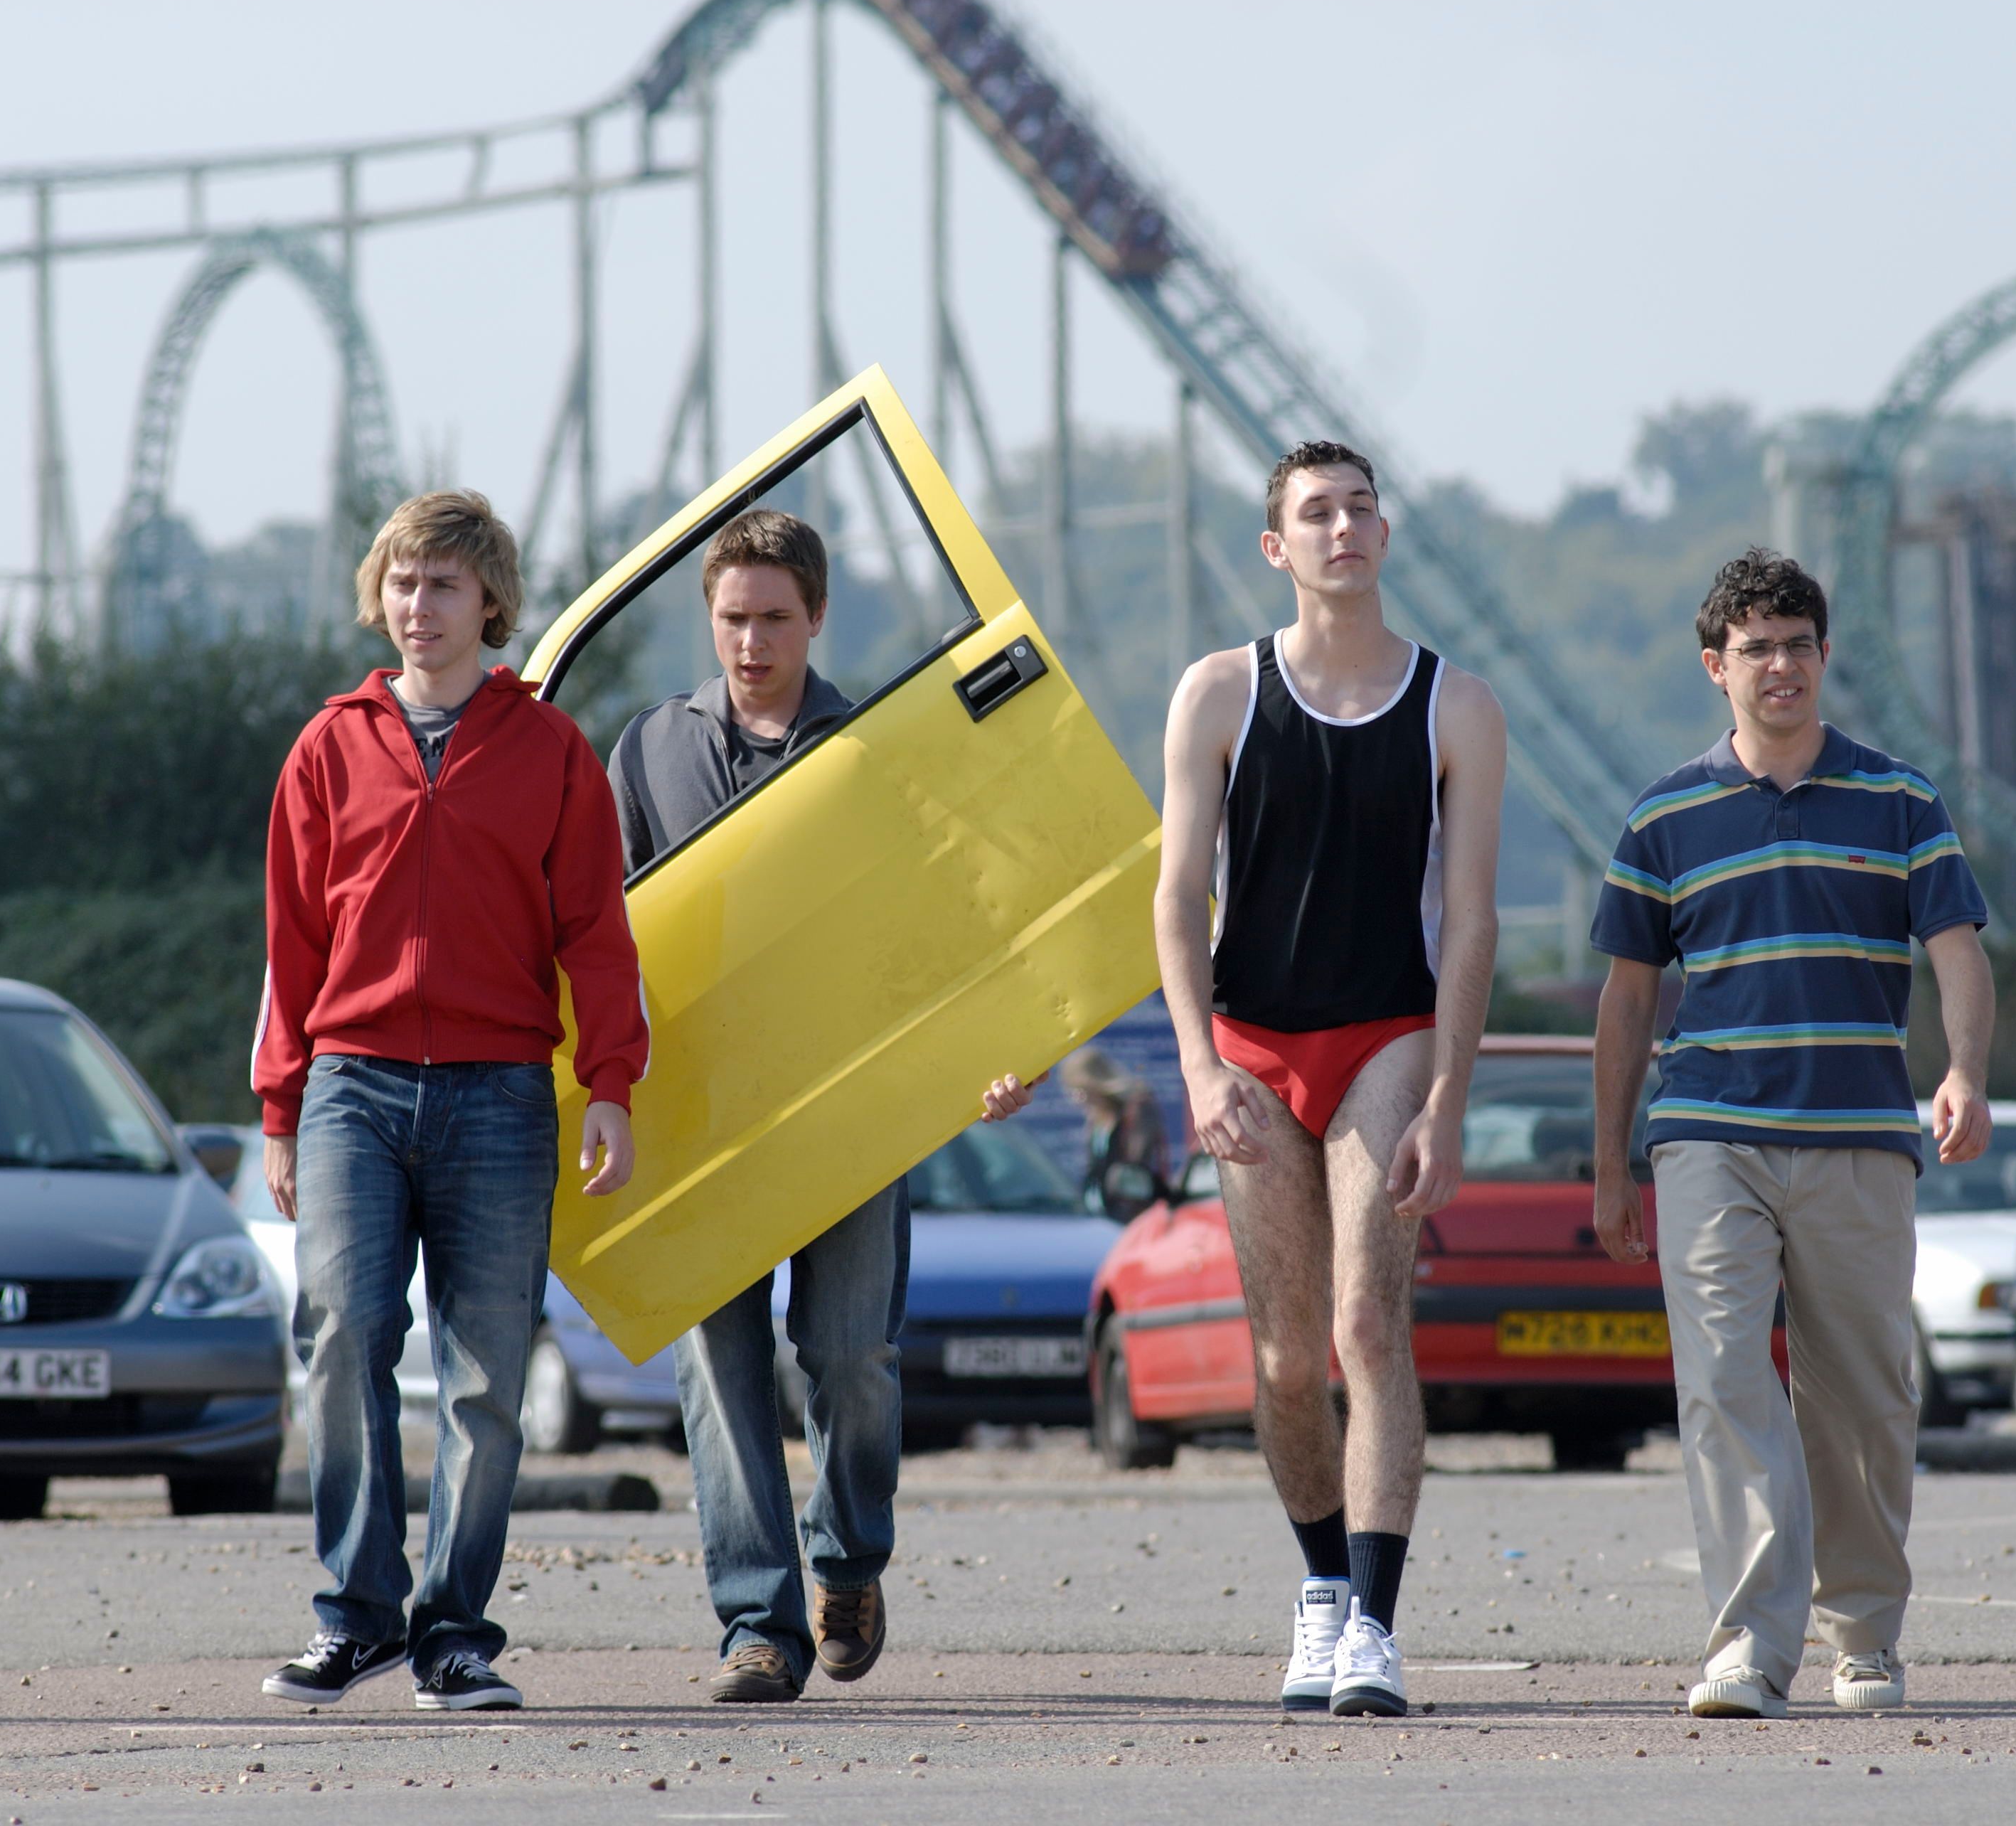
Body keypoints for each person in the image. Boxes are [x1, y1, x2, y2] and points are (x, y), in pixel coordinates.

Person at [609, 506, 1036, 1704]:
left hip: (855, 1105)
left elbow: (952, 920)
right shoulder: (645, 748)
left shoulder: (877, 749)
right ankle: (757, 1621)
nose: (752, 641)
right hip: (700, 1118)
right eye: (733, 618)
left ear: (817, 616)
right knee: (718, 1369)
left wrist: (1003, 1045)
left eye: (775, 618)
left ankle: (848, 1554)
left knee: (850, 1357)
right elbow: (605, 937)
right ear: (709, 616)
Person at [252, 490, 650, 1713]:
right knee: (344, 1337)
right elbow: (291, 936)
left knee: (485, 1376)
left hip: (499, 1094)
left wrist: (611, 1086)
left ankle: (454, 1634)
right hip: (352, 1089)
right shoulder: (328, 745)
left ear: (491, 603)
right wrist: (280, 1101)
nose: (417, 607)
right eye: (401, 584)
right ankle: (356, 1614)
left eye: (442, 585)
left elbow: (596, 929)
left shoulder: (551, 751)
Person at [1588, 545, 1995, 1721]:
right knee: (1721, 1384)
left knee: (1862, 1395)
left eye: (1798, 644)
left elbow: (1958, 951)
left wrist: (1963, 1069)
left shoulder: (1898, 800)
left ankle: (1862, 1637)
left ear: (1826, 657)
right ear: (1714, 666)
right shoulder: (1664, 815)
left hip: (1860, 1131)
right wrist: (1613, 1160)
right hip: (1707, 1129)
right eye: (1756, 648)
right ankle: (1748, 1651)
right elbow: (1624, 1003)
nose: (1781, 666)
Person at [1153, 441, 1504, 1718]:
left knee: (1368, 1322)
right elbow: (1177, 897)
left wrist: (1449, 1094)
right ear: (1276, 546)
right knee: (1288, 1353)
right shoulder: (1218, 693)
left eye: (1360, 506)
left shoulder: (1455, 705)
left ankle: (1375, 1624)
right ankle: (1318, 1591)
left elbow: (1469, 922)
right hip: (1250, 1046)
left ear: (1384, 531)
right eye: (1316, 512)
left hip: (1387, 1036)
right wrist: (1195, 1062)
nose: (1342, 526)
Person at [1058, 1046, 1168, 1222]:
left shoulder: (1136, 1110)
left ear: (1096, 1082)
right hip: (1099, 1215)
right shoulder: (1095, 1120)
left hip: (1130, 1214)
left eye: (1081, 1090)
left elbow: (1137, 1161)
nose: (1078, 1099)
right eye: (1073, 1092)